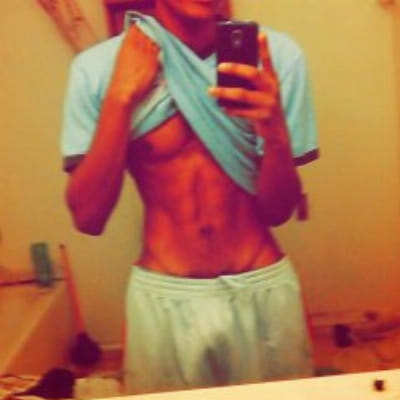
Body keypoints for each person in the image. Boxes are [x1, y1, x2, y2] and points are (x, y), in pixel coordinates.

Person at [60, 0, 319, 395]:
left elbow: (278, 211)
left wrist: (275, 135)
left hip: (262, 287)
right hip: (166, 298)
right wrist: (120, 98)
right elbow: (88, 217)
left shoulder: (276, 58)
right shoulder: (98, 69)